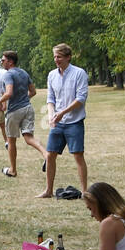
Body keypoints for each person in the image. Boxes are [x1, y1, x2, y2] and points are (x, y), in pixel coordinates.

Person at [42, 43, 89, 199]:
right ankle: (48, 191)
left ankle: (84, 192)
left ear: (68, 57)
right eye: (55, 56)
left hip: (74, 121)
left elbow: (80, 99)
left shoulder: (79, 73)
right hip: (58, 122)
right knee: (50, 156)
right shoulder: (51, 75)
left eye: (59, 57)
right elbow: (50, 99)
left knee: (78, 155)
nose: (56, 59)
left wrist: (62, 113)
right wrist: (51, 115)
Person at [0, 51, 46, 178]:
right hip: (28, 108)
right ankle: (46, 155)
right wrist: (25, 100)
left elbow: (9, 93)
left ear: (10, 61)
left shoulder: (8, 75)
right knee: (29, 138)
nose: (1, 62)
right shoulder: (24, 72)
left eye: (3, 60)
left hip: (14, 111)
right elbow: (33, 91)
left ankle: (12, 170)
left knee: (11, 141)